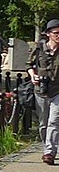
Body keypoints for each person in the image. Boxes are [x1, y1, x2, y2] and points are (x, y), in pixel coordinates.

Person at [27, 20, 59, 164]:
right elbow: (29, 64)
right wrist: (33, 75)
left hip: (57, 90)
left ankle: (49, 152)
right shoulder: (39, 48)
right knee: (43, 123)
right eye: (56, 33)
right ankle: (47, 145)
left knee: (54, 121)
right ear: (48, 34)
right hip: (40, 90)